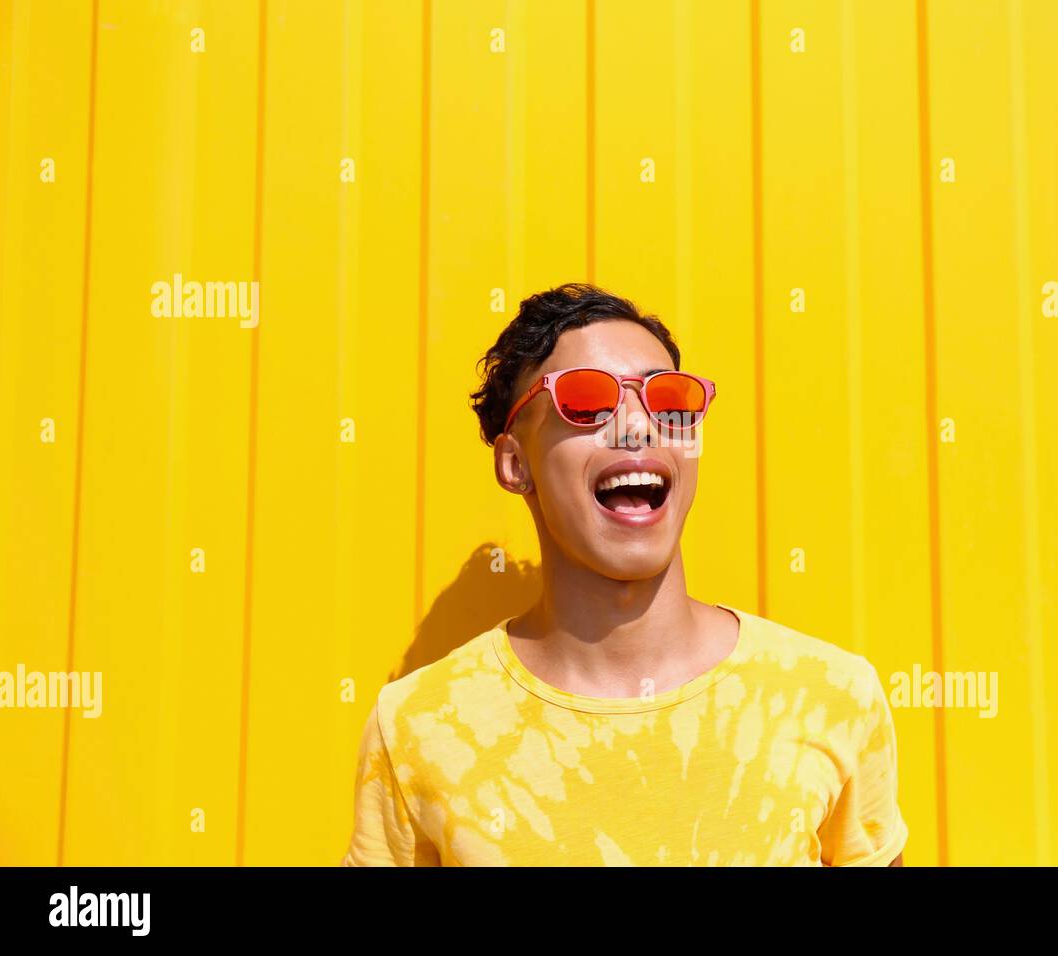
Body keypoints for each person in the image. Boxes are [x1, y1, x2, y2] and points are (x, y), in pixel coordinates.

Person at [342, 283, 907, 866]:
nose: (637, 427)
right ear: (515, 462)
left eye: (669, 402)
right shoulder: (417, 726)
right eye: (586, 402)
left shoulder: (831, 696)